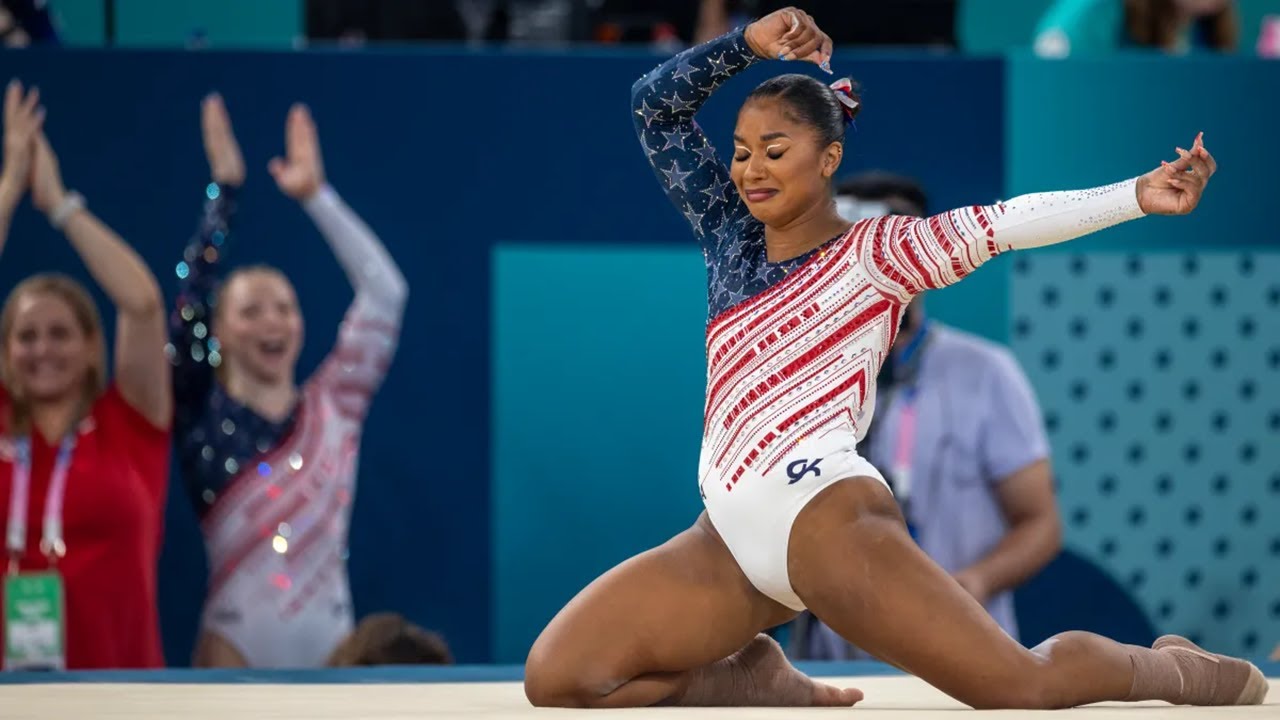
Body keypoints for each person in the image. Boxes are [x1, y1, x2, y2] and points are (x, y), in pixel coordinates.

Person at [522, 7, 1267, 710]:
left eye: (776, 152)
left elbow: (1009, 223)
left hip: (828, 524)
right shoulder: (728, 239)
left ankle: (1174, 666)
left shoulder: (879, 253)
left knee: (1021, 685)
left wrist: (1137, 194)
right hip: (725, 541)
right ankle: (751, 679)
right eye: (743, 152)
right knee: (561, 678)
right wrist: (746, 43)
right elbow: (654, 104)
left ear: (829, 159)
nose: (751, 169)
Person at [170, 95, 408, 668]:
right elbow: (185, 316)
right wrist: (223, 195)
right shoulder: (200, 413)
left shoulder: (337, 405)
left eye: (283, 307)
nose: (271, 321)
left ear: (301, 325)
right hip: (233, 649)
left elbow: (386, 293)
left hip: (333, 649)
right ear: (219, 332)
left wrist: (316, 197)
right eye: (251, 311)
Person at [791, 173, 1062, 660]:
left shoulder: (985, 372)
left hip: (966, 654)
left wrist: (975, 581)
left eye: (899, 243)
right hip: (831, 660)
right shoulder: (801, 377)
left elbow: (1039, 522)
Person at [0, 81, 170, 669]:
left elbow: (143, 303)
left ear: (92, 346)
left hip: (121, 696)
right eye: (26, 336)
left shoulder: (131, 421)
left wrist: (59, 205)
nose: (42, 350)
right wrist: (7, 184)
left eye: (60, 334)